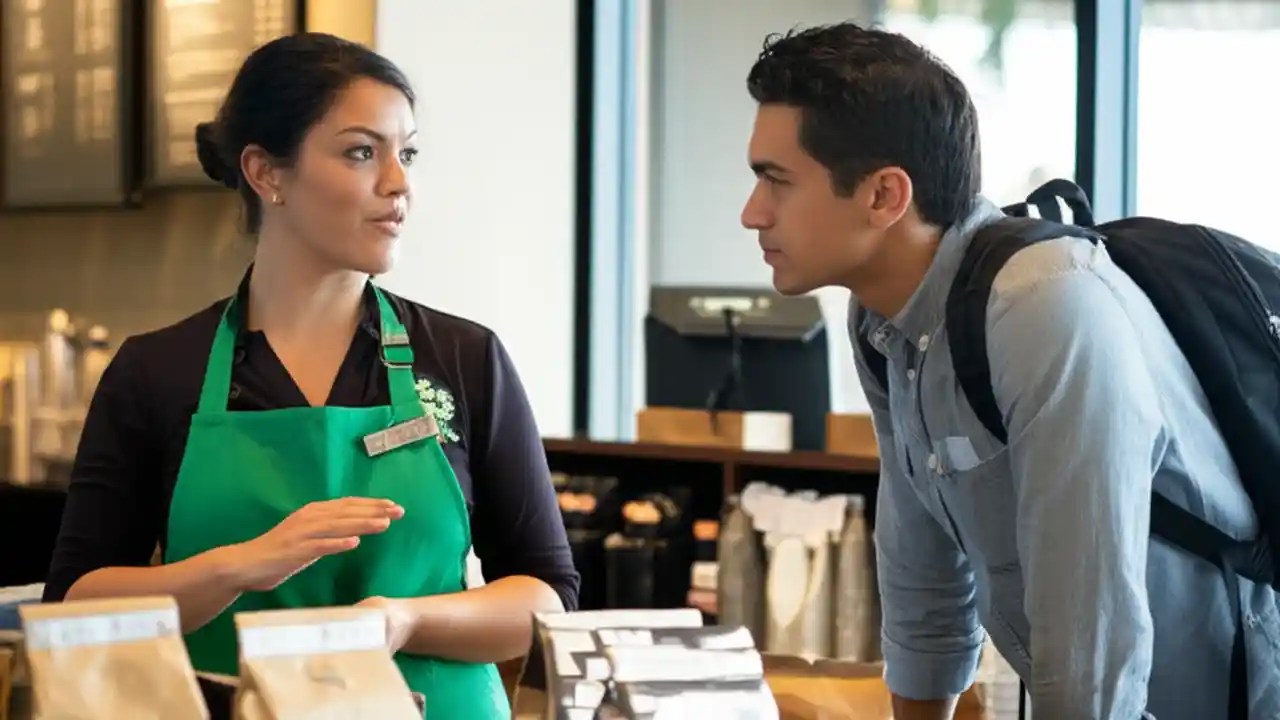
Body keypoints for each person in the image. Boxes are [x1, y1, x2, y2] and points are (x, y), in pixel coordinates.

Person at [740, 22, 1280, 720]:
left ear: (883, 196)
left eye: (776, 182)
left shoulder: (1045, 308)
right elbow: (923, 571)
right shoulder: (879, 319)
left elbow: (1090, 640)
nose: (753, 214)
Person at [42, 32, 577, 719]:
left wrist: (404, 620)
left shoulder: (467, 359)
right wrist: (234, 567)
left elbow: (547, 595)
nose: (399, 182)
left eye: (406, 152)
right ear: (267, 174)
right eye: (363, 152)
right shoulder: (157, 371)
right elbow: (73, 604)